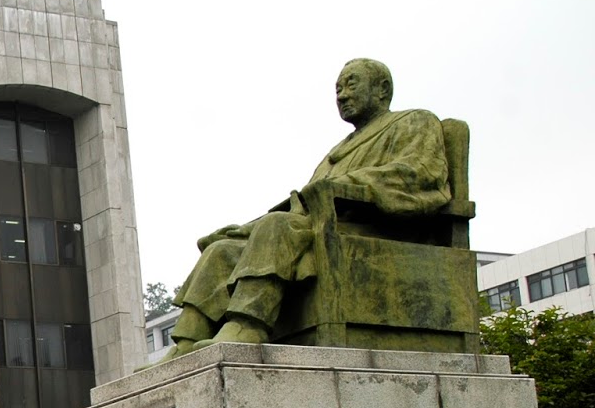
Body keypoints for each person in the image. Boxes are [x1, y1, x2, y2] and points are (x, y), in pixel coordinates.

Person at [166, 58, 451, 357]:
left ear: (382, 89)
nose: (341, 95)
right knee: (222, 249)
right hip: (317, 229)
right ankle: (187, 341)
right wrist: (245, 231)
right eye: (337, 89)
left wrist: (347, 184)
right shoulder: (336, 153)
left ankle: (247, 324)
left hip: (371, 230)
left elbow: (420, 173)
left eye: (350, 85)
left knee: (277, 225)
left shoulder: (415, 121)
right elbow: (301, 206)